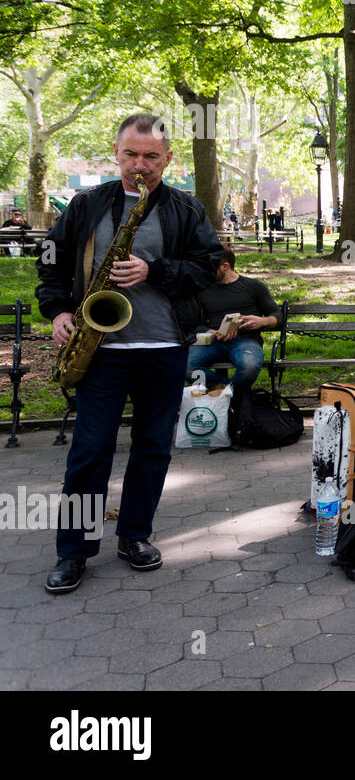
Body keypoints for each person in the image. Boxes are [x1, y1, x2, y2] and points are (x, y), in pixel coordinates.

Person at [35, 114, 223, 595]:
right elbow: (51, 259)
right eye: (131, 155)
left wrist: (155, 271)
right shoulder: (87, 204)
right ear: (115, 153)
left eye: (151, 157)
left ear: (168, 158)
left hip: (163, 347)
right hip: (101, 349)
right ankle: (73, 551)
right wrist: (57, 311)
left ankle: (135, 535)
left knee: (153, 448)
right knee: (90, 451)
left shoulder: (186, 208)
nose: (140, 166)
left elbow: (210, 264)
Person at [186, 249, 281, 391]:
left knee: (249, 367)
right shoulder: (204, 290)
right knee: (185, 366)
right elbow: (194, 324)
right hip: (214, 341)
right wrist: (209, 331)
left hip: (246, 341)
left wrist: (263, 321)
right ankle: (229, 393)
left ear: (225, 266)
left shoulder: (253, 287)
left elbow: (278, 315)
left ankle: (226, 395)